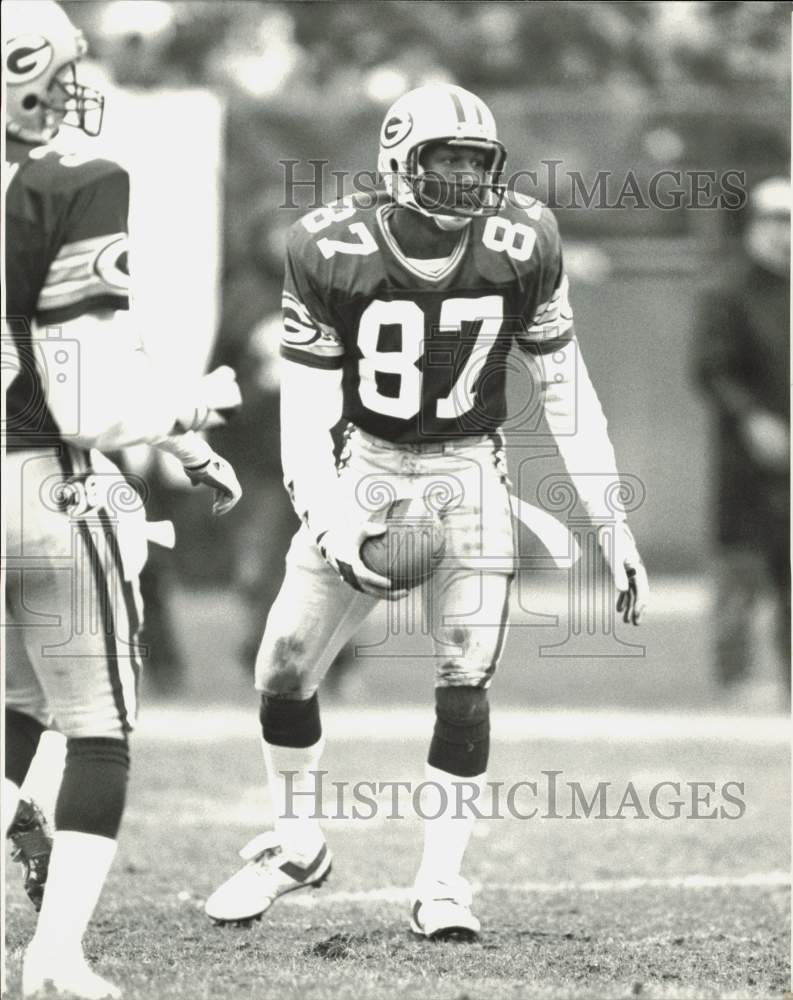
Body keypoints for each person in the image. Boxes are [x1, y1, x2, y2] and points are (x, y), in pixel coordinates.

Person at [205, 83, 648, 940]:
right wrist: (334, 521)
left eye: (475, 164)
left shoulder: (523, 242)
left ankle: (441, 884)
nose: (460, 181)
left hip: (467, 468)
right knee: (283, 667)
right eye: (443, 163)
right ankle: (297, 842)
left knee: (463, 676)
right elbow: (304, 415)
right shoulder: (328, 247)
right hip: (364, 462)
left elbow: (564, 390)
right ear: (398, 164)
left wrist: (609, 519)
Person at [4, 3, 242, 997]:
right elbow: (87, 399)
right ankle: (54, 956)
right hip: (43, 480)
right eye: (57, 73)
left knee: (17, 708)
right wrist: (187, 410)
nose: (72, 90)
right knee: (97, 727)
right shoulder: (75, 180)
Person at [693, 176, 790, 706]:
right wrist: (753, 419)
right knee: (740, 571)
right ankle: (733, 682)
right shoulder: (726, 293)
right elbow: (710, 369)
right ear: (754, 226)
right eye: (774, 220)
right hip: (746, 465)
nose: (784, 233)